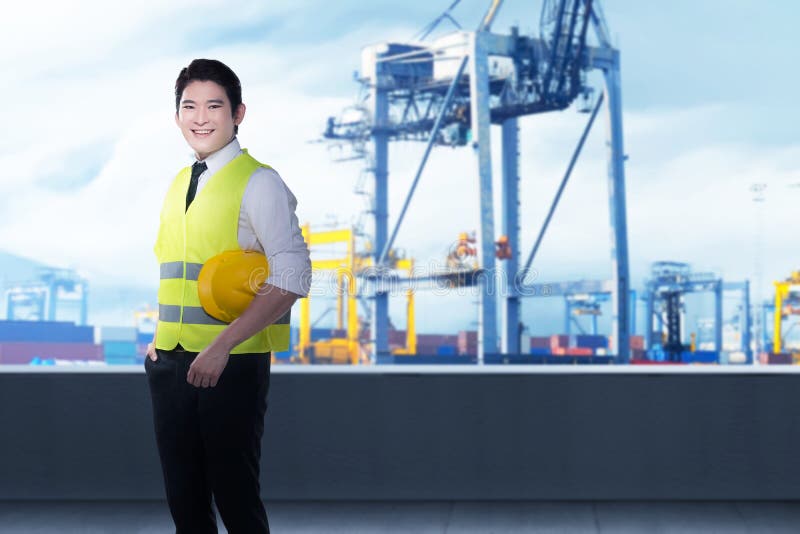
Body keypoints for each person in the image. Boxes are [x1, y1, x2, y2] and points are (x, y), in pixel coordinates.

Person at [144, 58, 311, 534]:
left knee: (235, 496)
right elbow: (174, 268)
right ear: (177, 116)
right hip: (171, 363)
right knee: (185, 500)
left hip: (229, 363)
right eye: (189, 106)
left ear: (238, 113)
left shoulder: (260, 182)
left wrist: (222, 347)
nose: (200, 117)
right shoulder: (180, 182)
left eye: (214, 106)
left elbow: (293, 276)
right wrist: (160, 342)